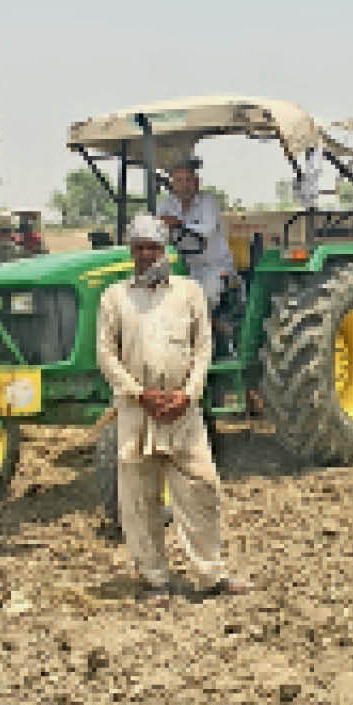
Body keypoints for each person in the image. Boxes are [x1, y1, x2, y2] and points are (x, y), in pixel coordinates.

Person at [96, 214, 250, 604]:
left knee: (202, 487)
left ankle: (211, 574)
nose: (146, 255)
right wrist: (139, 393)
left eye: (152, 247)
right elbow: (105, 355)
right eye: (138, 248)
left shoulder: (189, 292)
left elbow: (203, 349)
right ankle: (154, 580)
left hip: (183, 411)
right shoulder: (114, 297)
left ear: (164, 249)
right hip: (136, 411)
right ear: (131, 253)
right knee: (138, 499)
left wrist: (189, 393)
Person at [156, 158, 237, 309]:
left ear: (197, 182)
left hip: (215, 267)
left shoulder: (208, 202)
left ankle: (210, 327)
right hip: (182, 267)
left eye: (188, 180)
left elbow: (206, 229)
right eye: (179, 180)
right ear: (173, 184)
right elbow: (155, 227)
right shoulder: (166, 204)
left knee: (202, 299)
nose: (184, 185)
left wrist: (178, 223)